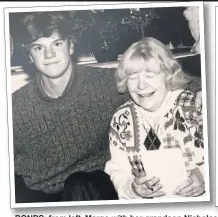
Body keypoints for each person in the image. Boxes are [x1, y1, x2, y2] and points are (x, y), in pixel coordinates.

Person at [11, 11, 202, 203]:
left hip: (89, 189)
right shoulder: (16, 106)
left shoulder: (104, 85)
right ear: (29, 54)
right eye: (38, 48)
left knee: (78, 184)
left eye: (57, 43)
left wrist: (201, 90)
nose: (49, 55)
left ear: (70, 46)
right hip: (38, 194)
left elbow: (168, 83)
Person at [103, 37, 206, 199]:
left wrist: (204, 178)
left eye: (150, 75)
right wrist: (132, 188)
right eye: (133, 77)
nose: (141, 85)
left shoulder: (194, 107)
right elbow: (116, 170)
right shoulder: (121, 119)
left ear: (167, 74)